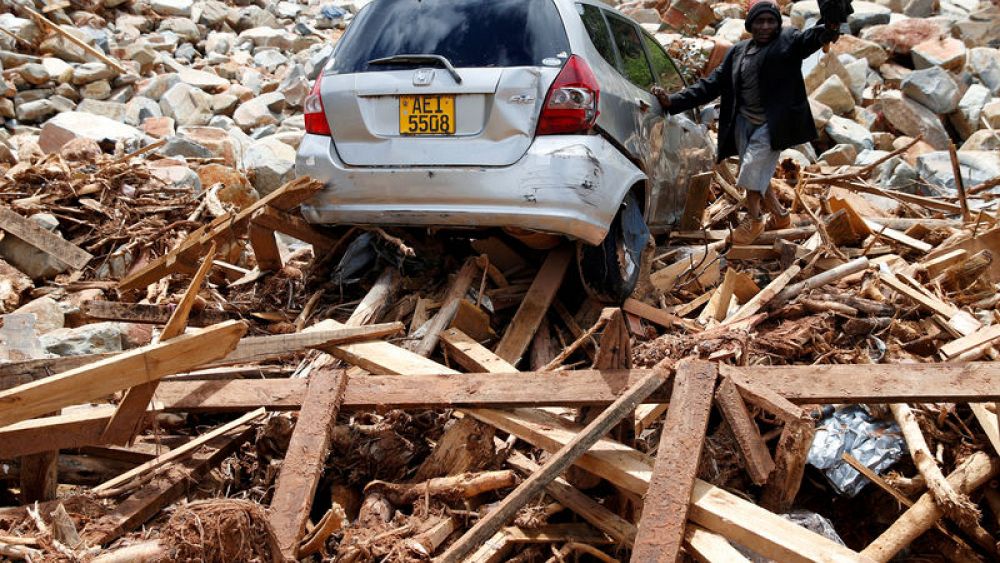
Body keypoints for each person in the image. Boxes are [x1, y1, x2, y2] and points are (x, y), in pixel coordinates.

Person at [652, 0, 843, 244]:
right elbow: (710, 85)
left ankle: (753, 221)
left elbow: (812, 39)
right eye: (759, 21)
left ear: (778, 24)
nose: (765, 26)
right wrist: (673, 101)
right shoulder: (738, 51)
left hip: (772, 124)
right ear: (750, 24)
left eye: (770, 21)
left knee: (751, 169)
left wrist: (831, 25)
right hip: (743, 122)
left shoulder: (788, 40)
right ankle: (781, 216)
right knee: (759, 174)